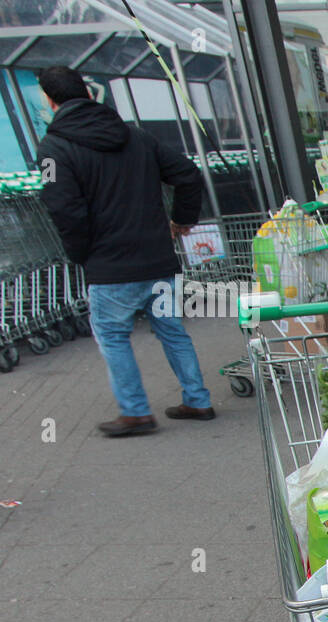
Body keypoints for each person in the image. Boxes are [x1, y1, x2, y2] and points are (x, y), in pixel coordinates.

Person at [36, 66, 213, 437]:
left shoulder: (54, 147)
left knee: (113, 335)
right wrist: (182, 220)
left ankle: (135, 412)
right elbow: (187, 173)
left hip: (109, 264)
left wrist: (82, 254)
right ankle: (197, 399)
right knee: (171, 329)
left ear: (49, 100)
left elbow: (63, 207)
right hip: (157, 257)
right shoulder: (135, 136)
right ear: (87, 92)